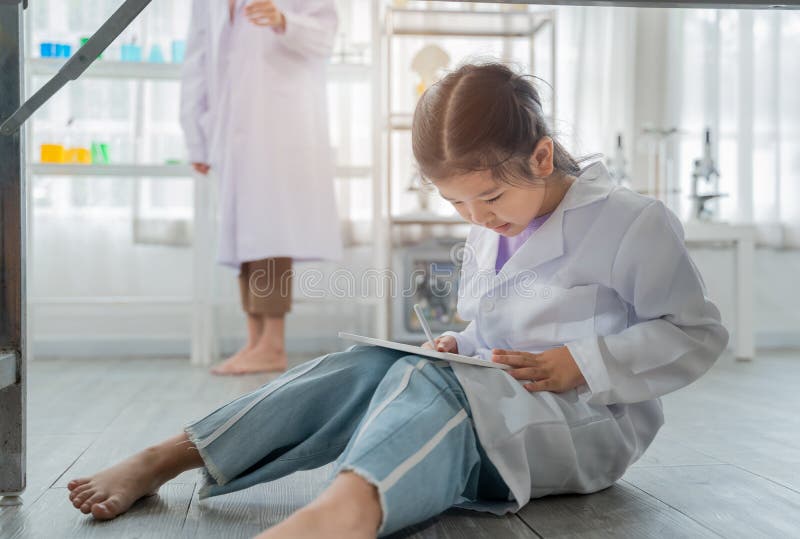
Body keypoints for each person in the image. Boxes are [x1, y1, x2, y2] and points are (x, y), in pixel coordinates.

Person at [66, 63, 729, 538]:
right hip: (500, 393)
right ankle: (172, 454)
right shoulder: (487, 226)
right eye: (457, 202)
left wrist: (579, 362)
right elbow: (493, 326)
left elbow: (697, 333)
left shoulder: (630, 221)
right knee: (374, 364)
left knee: (422, 382)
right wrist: (460, 347)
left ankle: (343, 513)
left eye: (489, 198)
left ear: (541, 155)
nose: (478, 216)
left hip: (588, 421)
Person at [180, 0, 342, 375]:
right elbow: (197, 59)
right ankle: (255, 340)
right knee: (244, 238)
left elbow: (325, 36)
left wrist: (285, 19)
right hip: (230, 126)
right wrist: (196, 135)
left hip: (280, 122)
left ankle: (273, 343)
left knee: (270, 235)